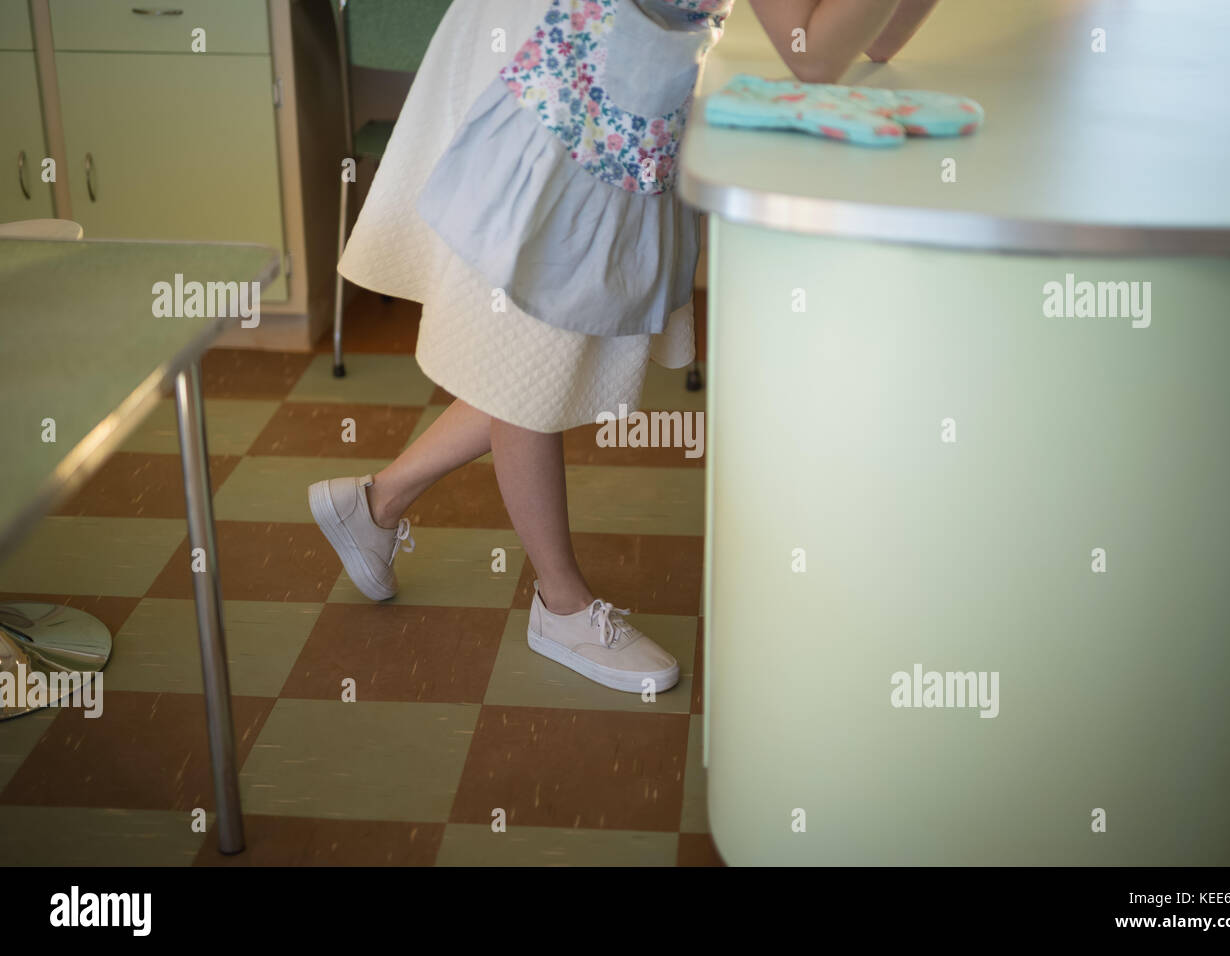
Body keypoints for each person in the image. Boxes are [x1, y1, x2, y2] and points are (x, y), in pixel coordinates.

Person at [309, 0, 941, 694]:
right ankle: (562, 606)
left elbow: (875, 38)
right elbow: (811, 52)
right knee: (534, 350)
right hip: (565, 67)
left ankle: (375, 504)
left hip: (617, 65)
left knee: (548, 347)